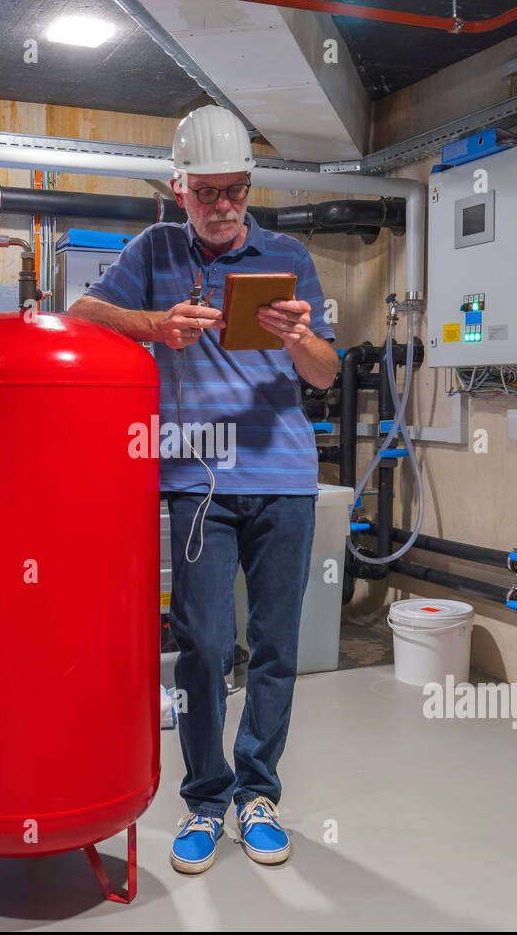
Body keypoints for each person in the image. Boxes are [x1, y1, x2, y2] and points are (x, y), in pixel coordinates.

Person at [68, 105, 337, 874]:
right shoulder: (154, 250)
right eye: (207, 192)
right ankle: (204, 799)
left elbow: (323, 370)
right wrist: (155, 325)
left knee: (277, 647)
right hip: (198, 482)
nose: (223, 207)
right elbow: (80, 314)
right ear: (179, 188)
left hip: (284, 480)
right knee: (204, 645)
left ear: (248, 187)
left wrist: (297, 335)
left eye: (235, 192)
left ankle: (258, 793)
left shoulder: (285, 255)